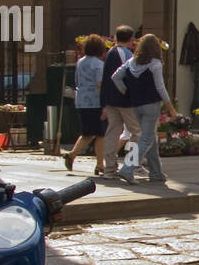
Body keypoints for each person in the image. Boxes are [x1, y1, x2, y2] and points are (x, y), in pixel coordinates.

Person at [111, 34, 177, 185]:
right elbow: (160, 87)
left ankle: (156, 173)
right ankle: (128, 168)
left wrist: (125, 91)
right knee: (146, 139)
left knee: (150, 137)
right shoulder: (155, 64)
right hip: (151, 104)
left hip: (136, 104)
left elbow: (115, 77)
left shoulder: (131, 62)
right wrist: (170, 108)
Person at [99, 25, 140, 178]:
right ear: (131, 39)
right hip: (126, 100)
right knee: (137, 133)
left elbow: (105, 79)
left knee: (112, 132)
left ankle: (109, 168)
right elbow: (130, 77)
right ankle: (129, 166)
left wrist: (103, 102)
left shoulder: (109, 53)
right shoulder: (128, 54)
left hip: (110, 100)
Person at [63, 35, 107, 174]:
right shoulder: (99, 65)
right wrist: (105, 104)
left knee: (88, 132)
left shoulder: (80, 62)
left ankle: (73, 154)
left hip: (81, 100)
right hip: (95, 101)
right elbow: (100, 84)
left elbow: (76, 80)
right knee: (100, 133)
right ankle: (100, 164)